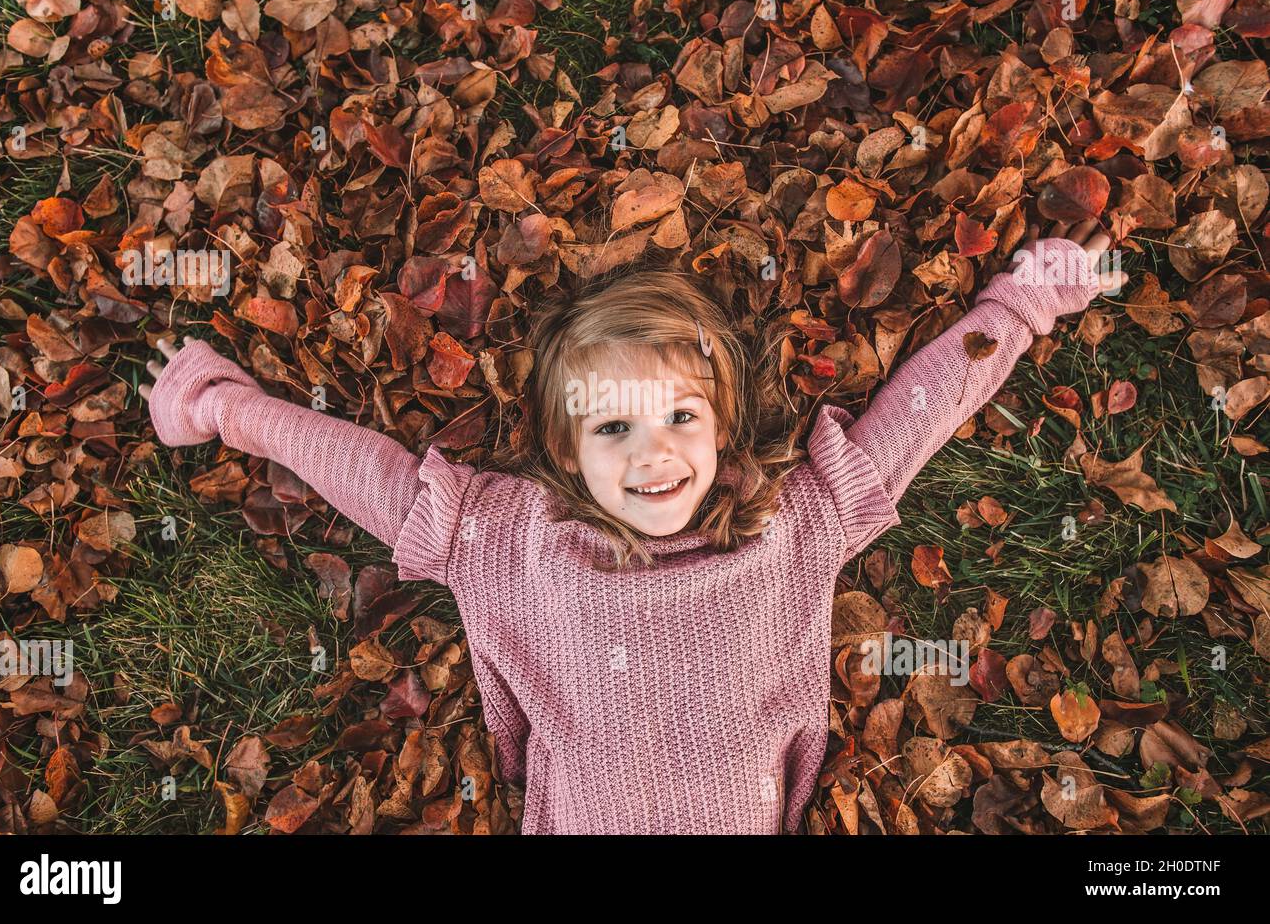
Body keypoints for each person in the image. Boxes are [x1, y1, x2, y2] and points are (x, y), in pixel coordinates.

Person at [142, 220, 1121, 833]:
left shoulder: (792, 524)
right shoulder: (519, 537)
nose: (653, 454)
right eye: (614, 426)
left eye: (679, 417)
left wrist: (1022, 301)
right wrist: (232, 408)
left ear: (724, 422)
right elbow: (381, 481)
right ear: (568, 454)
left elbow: (914, 419)